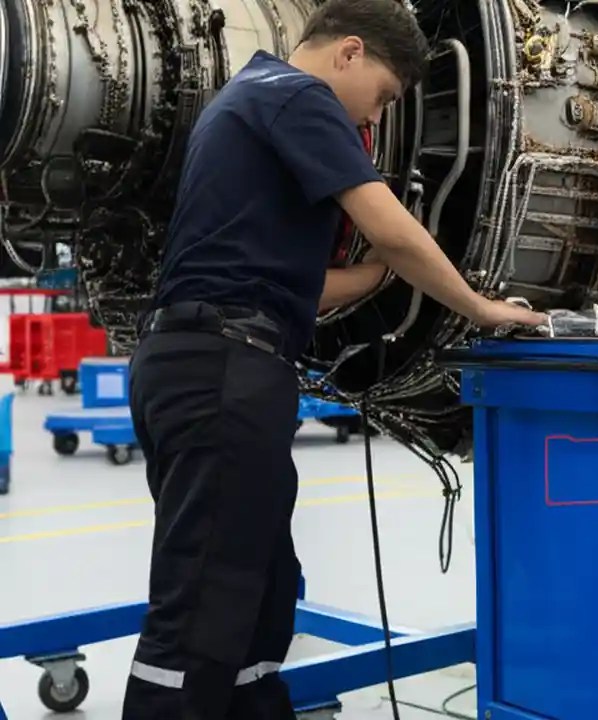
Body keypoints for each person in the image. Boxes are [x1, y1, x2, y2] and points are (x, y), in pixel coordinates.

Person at [122, 0, 546, 717]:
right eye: (380, 96)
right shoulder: (297, 96)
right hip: (224, 371)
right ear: (348, 52)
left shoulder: (244, 102)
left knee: (261, 585)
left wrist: (383, 272)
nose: (372, 124)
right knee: (204, 604)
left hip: (201, 360)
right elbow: (389, 223)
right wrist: (479, 306)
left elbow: (300, 287)